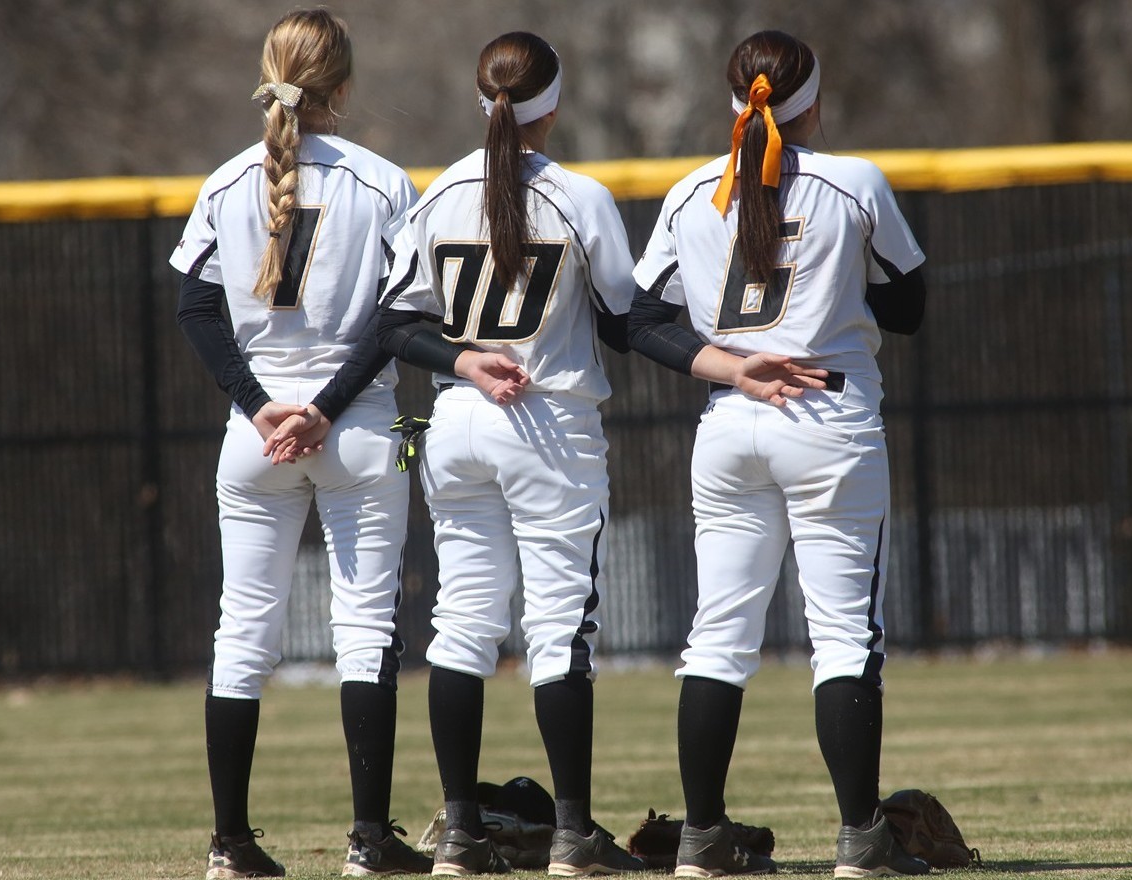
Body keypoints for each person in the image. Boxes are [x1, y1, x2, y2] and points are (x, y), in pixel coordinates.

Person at [627, 30, 931, 879]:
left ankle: (701, 841)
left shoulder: (693, 191)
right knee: (842, 638)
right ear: (813, 101)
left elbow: (636, 321)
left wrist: (730, 360)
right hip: (826, 417)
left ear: (735, 101)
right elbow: (908, 308)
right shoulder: (854, 180)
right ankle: (862, 841)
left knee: (716, 638)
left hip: (730, 417)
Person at [374, 31, 645, 879]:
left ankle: (460, 834)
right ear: (553, 105)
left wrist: (462, 359)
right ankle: (572, 836)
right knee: (559, 629)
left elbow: (395, 323)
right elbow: (626, 320)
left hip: (459, 417)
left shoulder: (436, 194)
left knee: (461, 627)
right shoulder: (578, 195)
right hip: (549, 423)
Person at [169, 10, 433, 879]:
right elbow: (402, 321)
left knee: (240, 635)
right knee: (366, 631)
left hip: (253, 441)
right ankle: (369, 842)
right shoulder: (387, 182)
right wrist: (323, 406)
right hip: (364, 429)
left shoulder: (226, 179)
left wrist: (259, 405)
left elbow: (195, 310)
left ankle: (230, 845)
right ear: (343, 87)